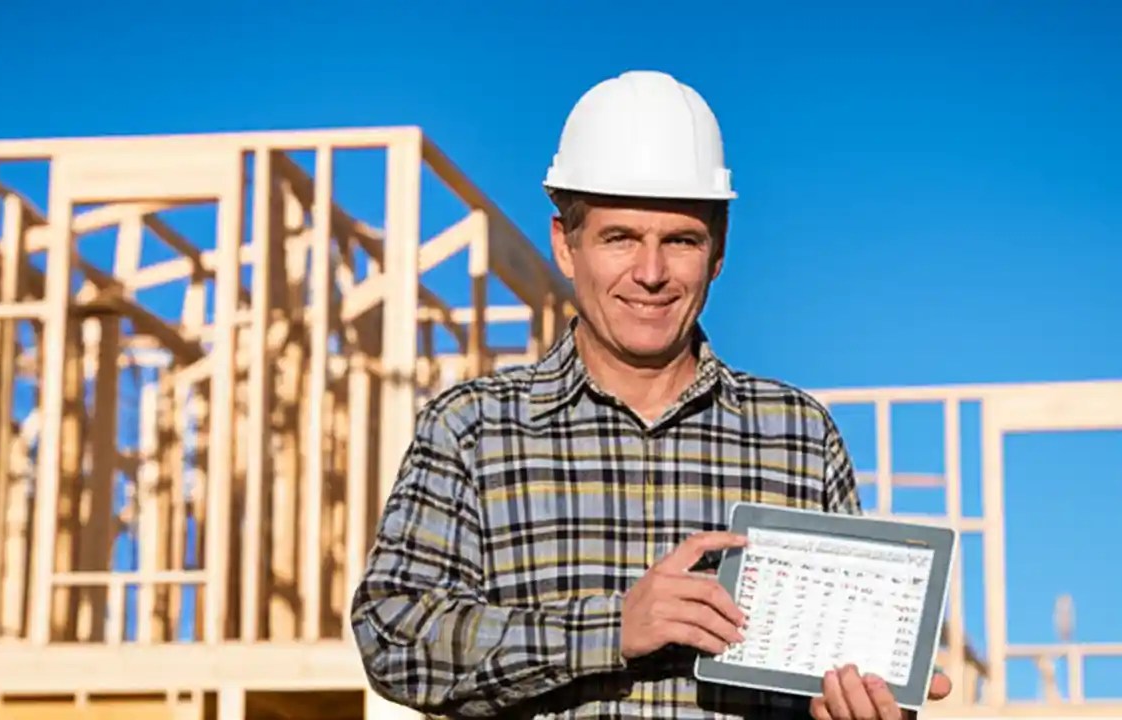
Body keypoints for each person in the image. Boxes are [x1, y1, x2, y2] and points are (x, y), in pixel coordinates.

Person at [349, 70, 953, 719]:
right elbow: (392, 636)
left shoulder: (799, 435)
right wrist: (609, 630)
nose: (652, 272)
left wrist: (857, 707)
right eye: (621, 238)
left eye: (681, 241)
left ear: (717, 252)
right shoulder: (472, 428)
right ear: (565, 245)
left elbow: (839, 666)